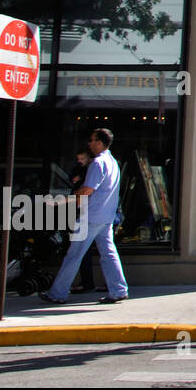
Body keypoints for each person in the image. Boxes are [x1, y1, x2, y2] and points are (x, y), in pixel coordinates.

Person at [40, 129, 129, 305]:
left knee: (74, 254)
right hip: (106, 216)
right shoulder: (113, 162)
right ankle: (119, 290)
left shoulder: (98, 163)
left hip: (92, 215)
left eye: (92, 140)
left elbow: (88, 189)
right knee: (108, 252)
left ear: (99, 143)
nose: (89, 143)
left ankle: (57, 293)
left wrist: (61, 201)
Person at [67, 148, 98, 293]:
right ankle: (88, 282)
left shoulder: (92, 170)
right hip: (89, 212)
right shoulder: (82, 170)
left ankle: (86, 283)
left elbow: (84, 191)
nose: (80, 162)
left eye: (82, 159)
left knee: (80, 250)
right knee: (103, 251)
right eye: (78, 159)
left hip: (89, 213)